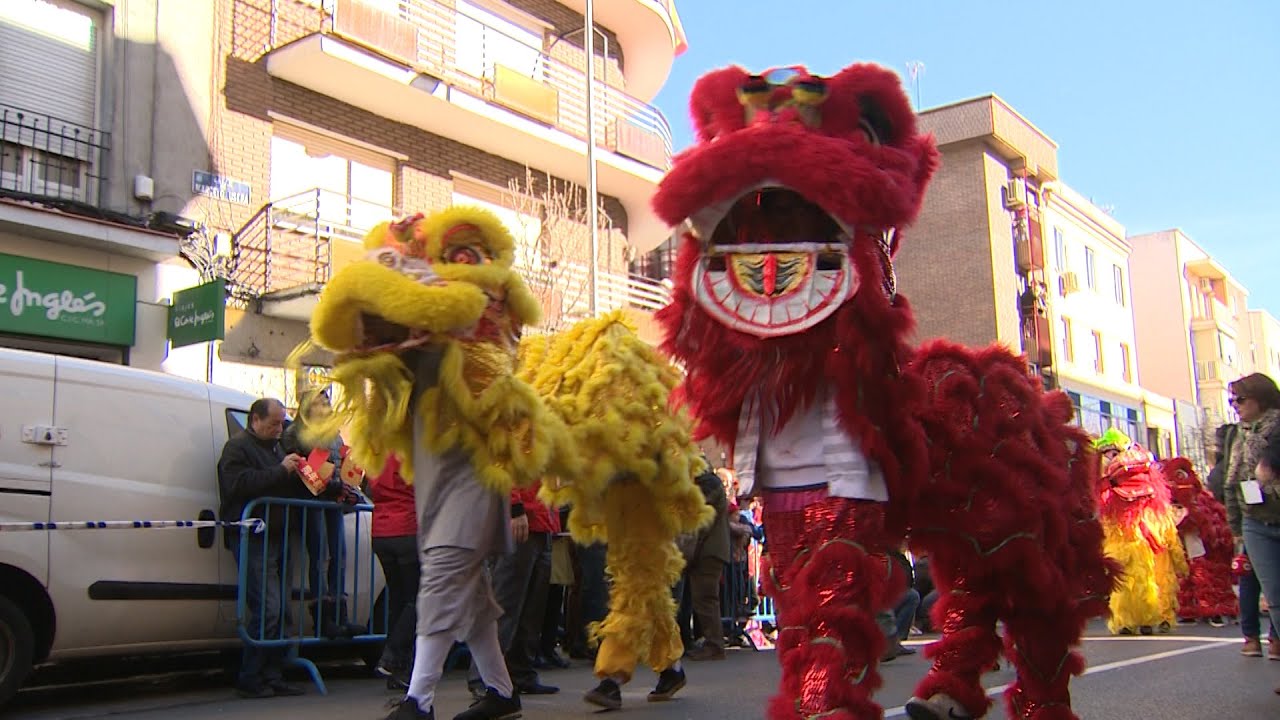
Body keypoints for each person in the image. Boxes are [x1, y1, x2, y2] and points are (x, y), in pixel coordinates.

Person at [216, 397, 307, 699]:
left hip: (280, 535)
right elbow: (238, 485)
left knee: (281, 610)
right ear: (255, 420)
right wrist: (281, 470)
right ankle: (251, 675)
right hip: (255, 537)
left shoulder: (276, 447)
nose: (280, 429)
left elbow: (283, 484)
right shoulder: (237, 448)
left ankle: (273, 673)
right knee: (268, 607)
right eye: (273, 424)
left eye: (282, 423)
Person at [281, 390, 363, 639]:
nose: (326, 406)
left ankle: (341, 615)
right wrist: (326, 483)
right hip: (310, 501)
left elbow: (344, 464)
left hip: (333, 503)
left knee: (340, 555)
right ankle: (323, 619)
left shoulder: (334, 435)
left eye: (327, 402)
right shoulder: (295, 433)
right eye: (320, 402)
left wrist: (350, 487)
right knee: (320, 557)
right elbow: (301, 466)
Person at [1093, 429, 1188, 635]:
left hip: (1142, 532)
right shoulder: (1103, 480)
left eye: (1113, 451)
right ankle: (1125, 620)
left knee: (1147, 578)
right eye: (1107, 452)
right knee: (1123, 580)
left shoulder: (1138, 476)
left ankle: (1149, 617)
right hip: (1118, 534)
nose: (1110, 456)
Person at [1224, 373, 1280, 667]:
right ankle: (1256, 637)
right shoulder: (1237, 433)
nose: (1235, 405)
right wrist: (1235, 525)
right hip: (1254, 521)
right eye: (1232, 400)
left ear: (1261, 397)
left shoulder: (1277, 425)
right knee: (1273, 595)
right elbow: (1231, 480)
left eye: (1241, 399)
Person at [370, 454, 418, 689]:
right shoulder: (407, 451)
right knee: (417, 598)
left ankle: (397, 670)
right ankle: (393, 656)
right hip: (407, 527)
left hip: (381, 530)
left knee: (398, 600)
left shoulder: (376, 450)